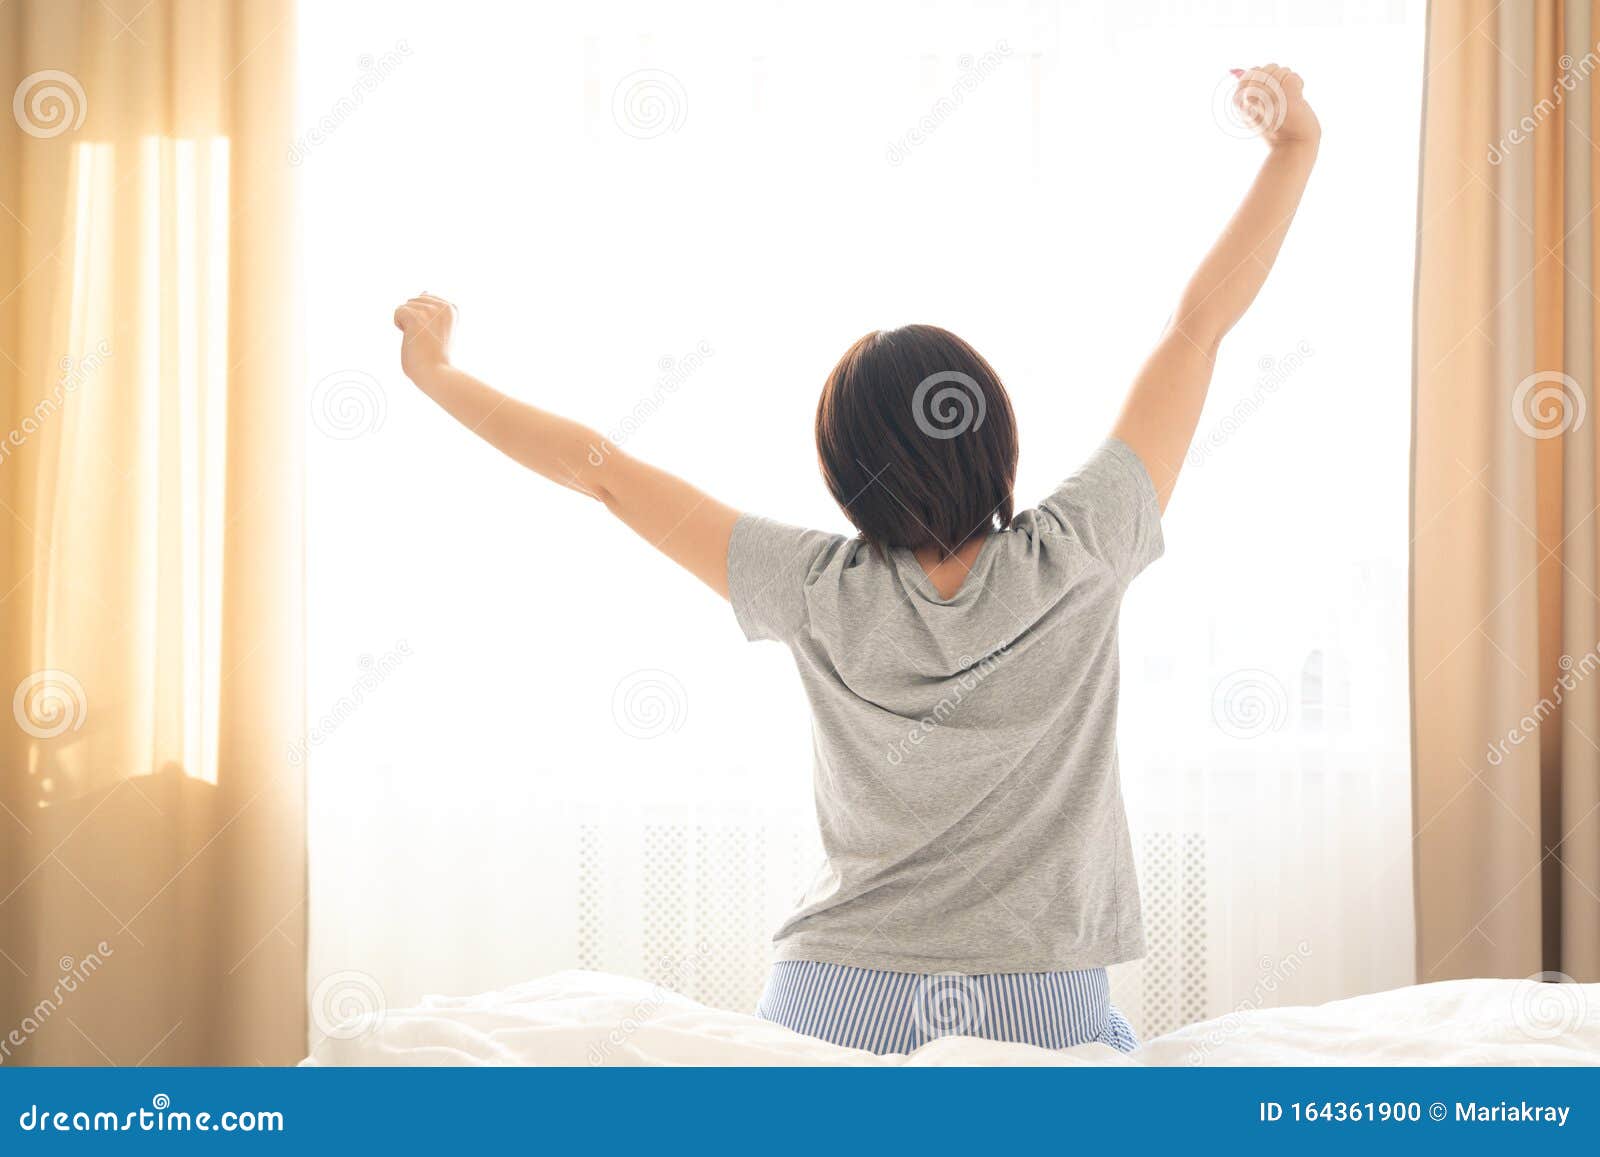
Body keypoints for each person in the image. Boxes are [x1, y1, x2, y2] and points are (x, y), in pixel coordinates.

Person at [392, 64, 1319, 1054]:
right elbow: (1199, 326)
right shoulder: (1085, 545)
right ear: (993, 433)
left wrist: (437, 372)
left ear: (845, 470)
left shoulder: (809, 585)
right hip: (1036, 991)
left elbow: (603, 472)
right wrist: (1293, 145)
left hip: (833, 993)